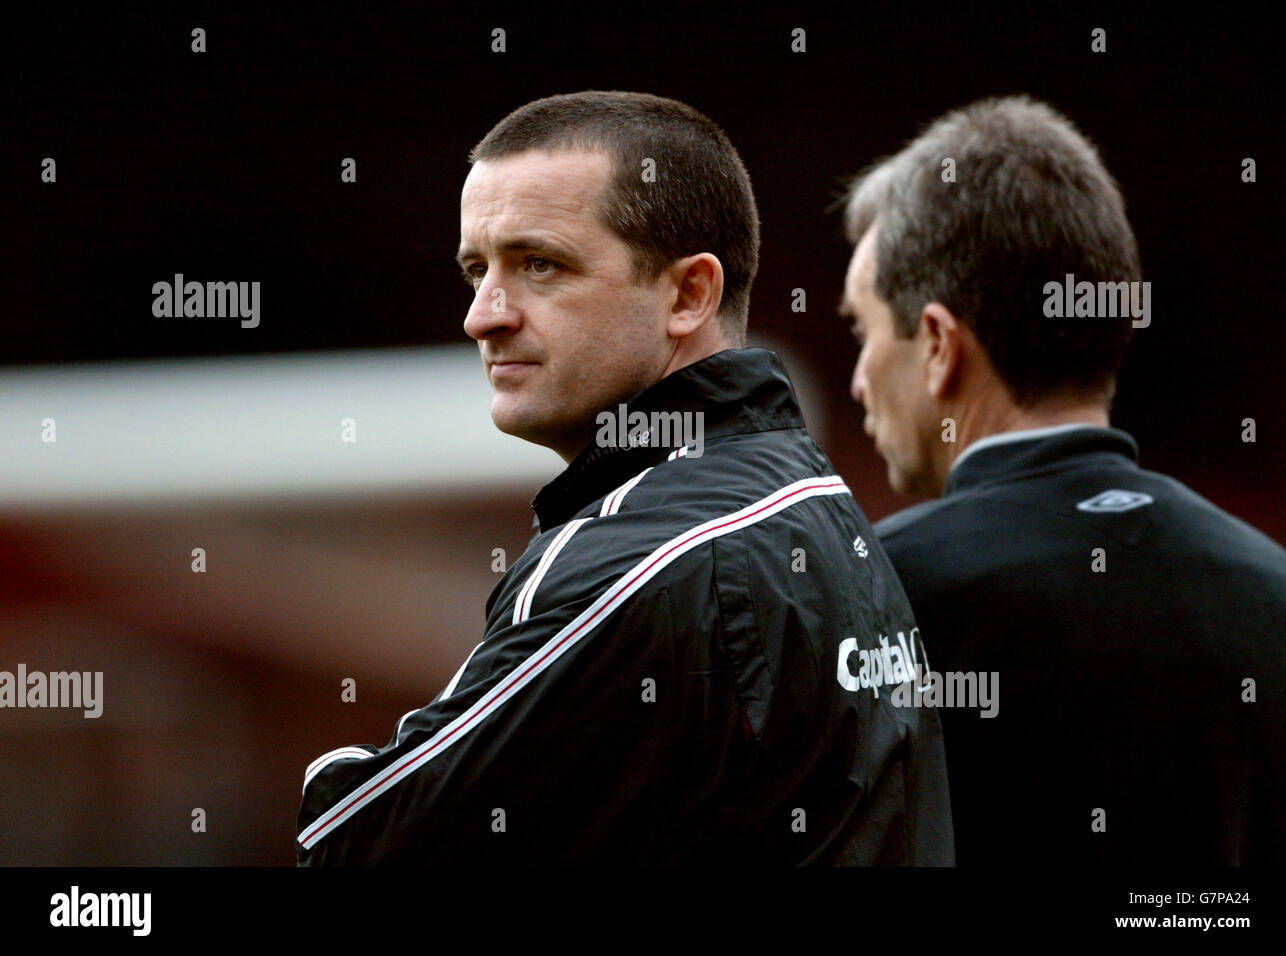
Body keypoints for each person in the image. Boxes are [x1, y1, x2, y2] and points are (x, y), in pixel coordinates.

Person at [297, 90, 954, 865]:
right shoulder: (813, 501)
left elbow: (353, 839)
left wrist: (328, 774)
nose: (484, 314)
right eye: (477, 270)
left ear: (688, 295)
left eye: (539, 264)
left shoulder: (649, 556)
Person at [837, 95, 1286, 865]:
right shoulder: (1281, 590)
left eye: (864, 330)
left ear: (941, 345)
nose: (856, 380)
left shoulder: (874, 591)